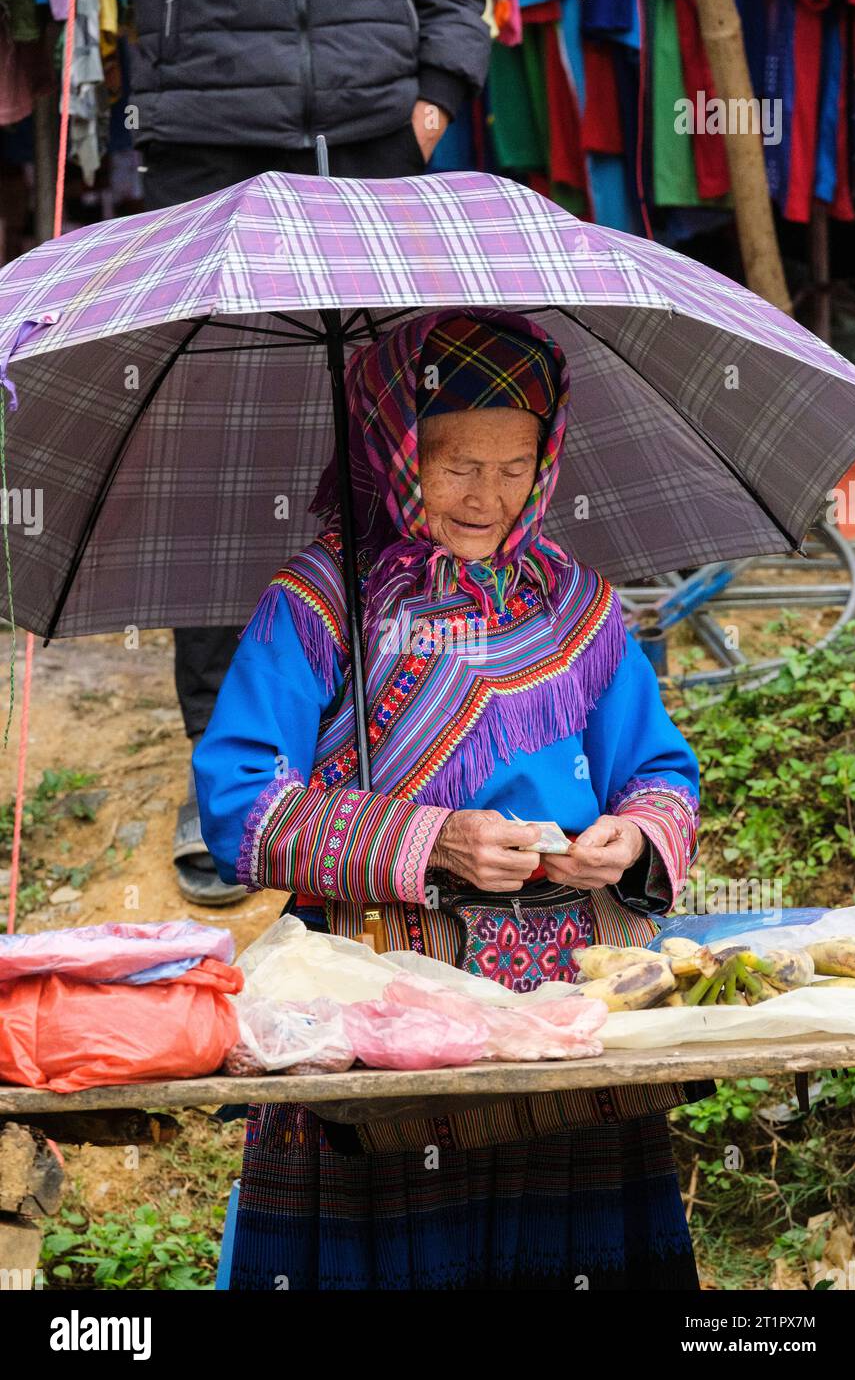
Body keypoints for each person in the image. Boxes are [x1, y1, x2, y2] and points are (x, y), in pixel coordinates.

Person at [193, 309, 703, 1290]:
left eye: (515, 463)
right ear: (393, 449)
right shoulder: (317, 605)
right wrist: (431, 838)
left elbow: (658, 772)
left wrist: (631, 837)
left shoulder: (580, 609)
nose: (488, 494)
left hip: (568, 1016)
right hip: (384, 1011)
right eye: (454, 462)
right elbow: (240, 805)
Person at [127, 0, 491, 904]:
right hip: (208, 134)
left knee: (392, 440)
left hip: (373, 129)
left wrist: (436, 92)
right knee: (214, 453)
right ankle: (227, 771)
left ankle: (398, 748)